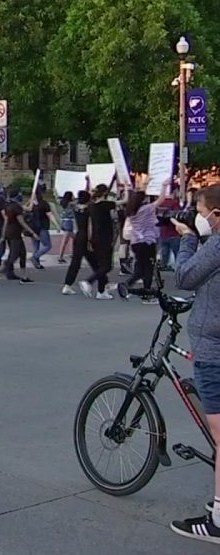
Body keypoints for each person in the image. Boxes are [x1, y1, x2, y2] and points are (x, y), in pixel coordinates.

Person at [169, 184, 220, 543]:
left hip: (214, 348)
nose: (198, 216)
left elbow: (185, 277)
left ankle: (217, 519)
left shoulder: (217, 242)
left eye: (201, 210)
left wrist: (187, 238)